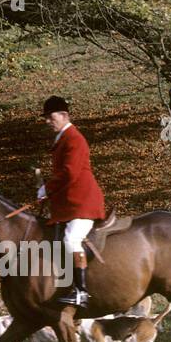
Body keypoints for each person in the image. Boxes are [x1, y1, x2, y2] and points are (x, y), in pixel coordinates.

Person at [36, 96, 106, 307]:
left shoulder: (74, 138)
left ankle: (81, 292)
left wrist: (47, 188)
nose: (48, 121)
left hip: (83, 202)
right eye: (46, 117)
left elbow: (70, 172)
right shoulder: (62, 139)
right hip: (70, 203)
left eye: (50, 117)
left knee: (71, 240)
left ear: (64, 115)